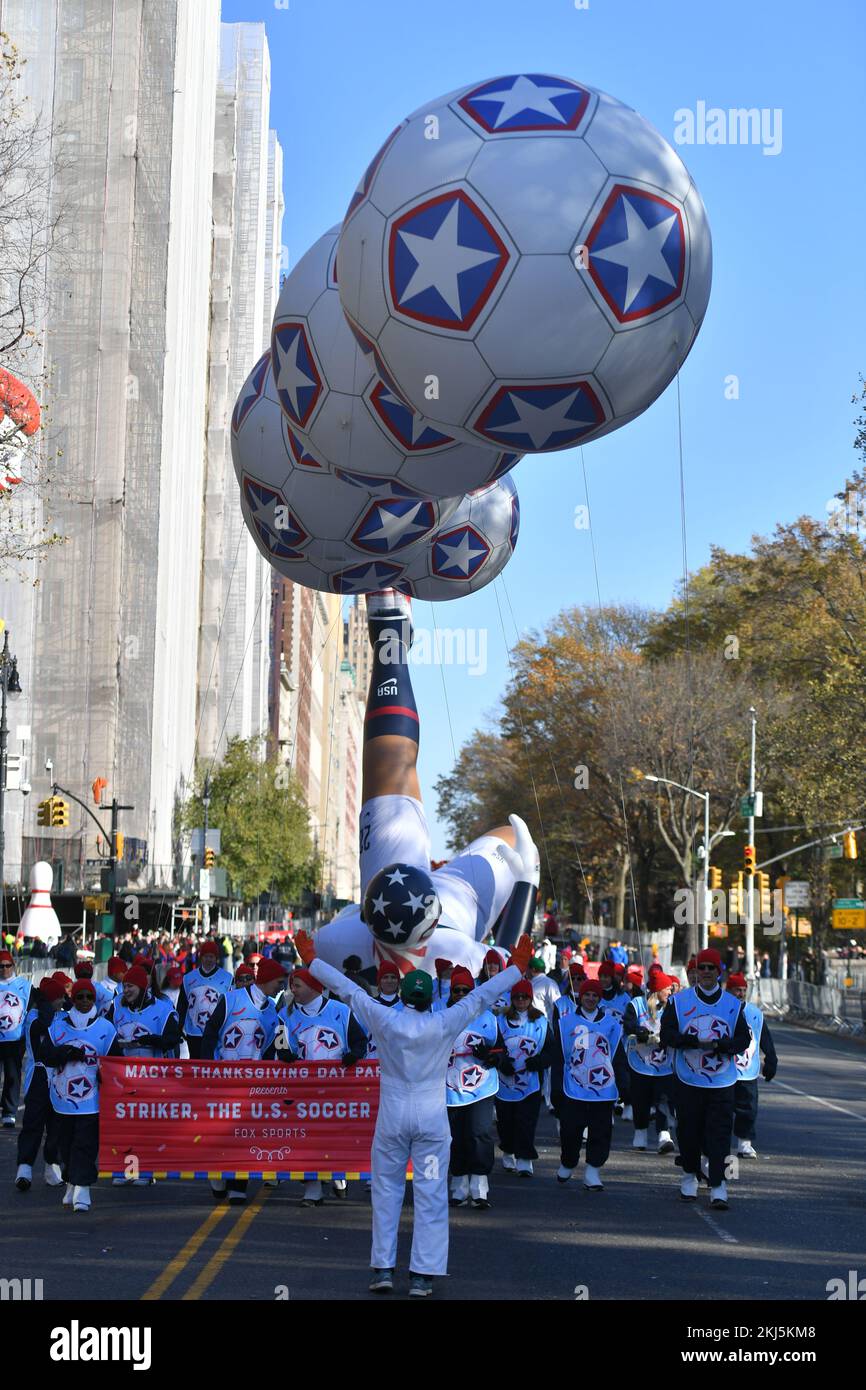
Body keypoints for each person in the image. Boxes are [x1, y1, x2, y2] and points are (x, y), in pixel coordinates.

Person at [291, 811, 537, 1300]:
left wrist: (310, 958)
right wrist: (517, 967)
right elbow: (482, 998)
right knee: (429, 1198)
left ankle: (382, 1269)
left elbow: (344, 988)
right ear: (433, 996)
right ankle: (423, 1277)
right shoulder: (446, 1021)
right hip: (431, 1115)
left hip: (392, 1116)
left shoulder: (385, 1019)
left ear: (406, 995)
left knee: (386, 1194)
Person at [310, 590, 524, 977]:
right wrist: (526, 886)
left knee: (391, 773)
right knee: (515, 843)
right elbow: (511, 967)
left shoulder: (336, 943)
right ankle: (392, 635)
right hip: (459, 905)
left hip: (413, 895)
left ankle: (391, 632)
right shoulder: (460, 951)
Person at [659, 947, 751, 1210]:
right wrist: (692, 1041)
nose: (707, 972)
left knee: (720, 1133)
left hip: (722, 1081)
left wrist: (722, 1045)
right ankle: (689, 1175)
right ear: (696, 972)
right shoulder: (679, 1002)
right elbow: (667, 1035)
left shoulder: (734, 1005)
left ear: (719, 972)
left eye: (712, 968)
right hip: (688, 1079)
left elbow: (743, 1039)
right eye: (702, 968)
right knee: (689, 1131)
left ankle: (718, 1185)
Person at [276, 964, 367, 1207]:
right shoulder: (286, 1014)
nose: (292, 990)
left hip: (337, 1087)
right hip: (304, 1088)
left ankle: (338, 1175)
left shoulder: (340, 1010)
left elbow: (359, 1042)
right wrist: (284, 1053)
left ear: (314, 988)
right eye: (292, 985)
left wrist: (353, 1055)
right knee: (306, 1138)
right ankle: (312, 1190)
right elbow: (281, 1043)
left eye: (297, 985)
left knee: (334, 1136)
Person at [202, 958, 283, 1203]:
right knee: (220, 1131)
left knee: (246, 1132)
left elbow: (269, 1047)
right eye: (278, 982)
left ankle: (239, 1183)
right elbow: (210, 1033)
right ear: (267, 980)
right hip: (223, 1077)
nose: (281, 987)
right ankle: (217, 1174)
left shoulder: (271, 1010)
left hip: (252, 1082)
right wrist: (207, 1068)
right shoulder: (231, 999)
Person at [37, 977, 120, 1211]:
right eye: (80, 996)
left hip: (91, 1100)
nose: (85, 1001)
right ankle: (72, 1182)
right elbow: (46, 1055)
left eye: (89, 997)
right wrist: (65, 1052)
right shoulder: (58, 1025)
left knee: (85, 1143)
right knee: (66, 1144)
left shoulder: (105, 1028)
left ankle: (83, 1189)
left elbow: (116, 1061)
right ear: (73, 999)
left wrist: (106, 1075)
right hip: (62, 1099)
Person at [551, 977, 627, 1190]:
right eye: (587, 995)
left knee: (601, 1131)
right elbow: (559, 1058)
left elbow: (617, 1056)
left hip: (603, 1089)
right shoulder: (566, 1022)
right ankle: (568, 1161)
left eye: (595, 995)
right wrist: (556, 1087)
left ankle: (593, 1171)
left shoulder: (611, 1024)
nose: (591, 999)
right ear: (580, 996)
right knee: (570, 1130)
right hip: (573, 1086)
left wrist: (624, 1084)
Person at [444, 966, 499, 1209]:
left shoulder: (488, 1017)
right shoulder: (440, 1015)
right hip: (449, 1087)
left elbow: (501, 1051)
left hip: (481, 1085)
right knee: (455, 1136)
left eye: (466, 990)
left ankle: (479, 1185)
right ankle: (458, 1183)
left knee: (480, 1132)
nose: (461, 994)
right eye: (457, 990)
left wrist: (490, 1055)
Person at [494, 980, 552, 1176]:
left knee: (526, 1121)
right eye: (517, 997)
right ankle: (508, 1150)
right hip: (504, 1081)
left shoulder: (541, 1021)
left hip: (530, 1082)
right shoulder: (500, 1020)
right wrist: (501, 1061)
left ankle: (525, 1158)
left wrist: (539, 1061)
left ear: (530, 999)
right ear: (512, 999)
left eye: (524, 997)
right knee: (505, 1122)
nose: (521, 1000)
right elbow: (494, 1045)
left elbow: (550, 1050)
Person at [15, 975, 66, 1191]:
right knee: (33, 1124)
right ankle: (24, 1169)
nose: (63, 1002)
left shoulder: (61, 1015)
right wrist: (47, 1004)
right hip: (38, 1077)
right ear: (49, 1000)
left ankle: (52, 1168)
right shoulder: (35, 1018)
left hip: (59, 1078)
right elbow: (44, 1026)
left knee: (56, 1125)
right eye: (59, 998)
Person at [622, 972, 678, 1154]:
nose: (671, 991)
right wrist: (639, 1031)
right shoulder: (636, 1004)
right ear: (658, 989)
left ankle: (663, 1134)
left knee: (664, 1098)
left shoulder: (672, 1006)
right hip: (640, 1061)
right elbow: (628, 1025)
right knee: (641, 1099)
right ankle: (640, 1131)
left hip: (664, 1063)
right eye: (668, 988)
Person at [726, 973, 777, 1159]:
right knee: (722, 1109)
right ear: (728, 990)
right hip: (723, 1071)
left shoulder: (754, 1013)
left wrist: (771, 1060)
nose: (740, 993)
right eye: (736, 990)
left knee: (748, 1108)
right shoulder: (721, 1010)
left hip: (747, 1071)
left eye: (743, 990)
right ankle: (718, 1143)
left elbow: (765, 1038)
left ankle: (744, 1143)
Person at [176, 939, 233, 1059]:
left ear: (216, 958)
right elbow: (182, 1005)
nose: (208, 960)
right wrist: (179, 1027)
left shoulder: (227, 978)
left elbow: (231, 1007)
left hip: (216, 1033)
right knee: (196, 1066)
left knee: (212, 1067)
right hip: (193, 1033)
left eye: (211, 956)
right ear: (201, 957)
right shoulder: (188, 978)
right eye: (206, 956)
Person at [0, 947, 36, 1127]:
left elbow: (37, 1006)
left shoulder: (25, 986)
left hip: (15, 1039)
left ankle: (9, 1112)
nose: (4, 969)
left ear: (13, 966)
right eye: (1, 966)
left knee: (13, 1075)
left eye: (7, 965)